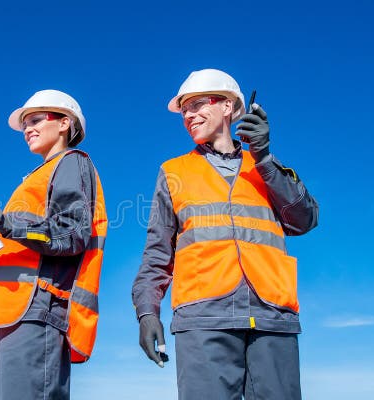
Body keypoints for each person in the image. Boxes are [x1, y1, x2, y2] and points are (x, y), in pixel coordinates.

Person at [131, 69, 318, 399]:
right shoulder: (174, 172)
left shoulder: (264, 168)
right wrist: (147, 312)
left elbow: (304, 219)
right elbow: (157, 254)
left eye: (197, 104)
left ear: (228, 106)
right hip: (203, 319)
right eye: (184, 110)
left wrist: (264, 156)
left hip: (272, 317)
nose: (188, 115)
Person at [0, 89, 107, 400]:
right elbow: (14, 246)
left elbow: (71, 234)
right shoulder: (32, 181)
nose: (27, 128)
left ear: (65, 123)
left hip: (35, 310)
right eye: (25, 124)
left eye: (36, 120)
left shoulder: (71, 163)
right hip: (5, 313)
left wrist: (4, 223)